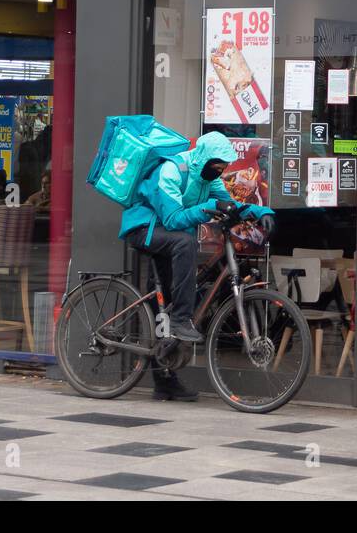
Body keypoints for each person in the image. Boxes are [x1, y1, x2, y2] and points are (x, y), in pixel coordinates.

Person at [117, 130, 273, 402]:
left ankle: (164, 381)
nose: (221, 170)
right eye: (217, 165)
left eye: (224, 166)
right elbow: (174, 217)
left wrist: (262, 213)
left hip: (170, 236)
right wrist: (209, 207)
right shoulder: (172, 171)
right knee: (186, 244)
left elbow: (230, 205)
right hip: (146, 228)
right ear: (203, 158)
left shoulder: (207, 177)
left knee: (164, 298)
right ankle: (180, 320)